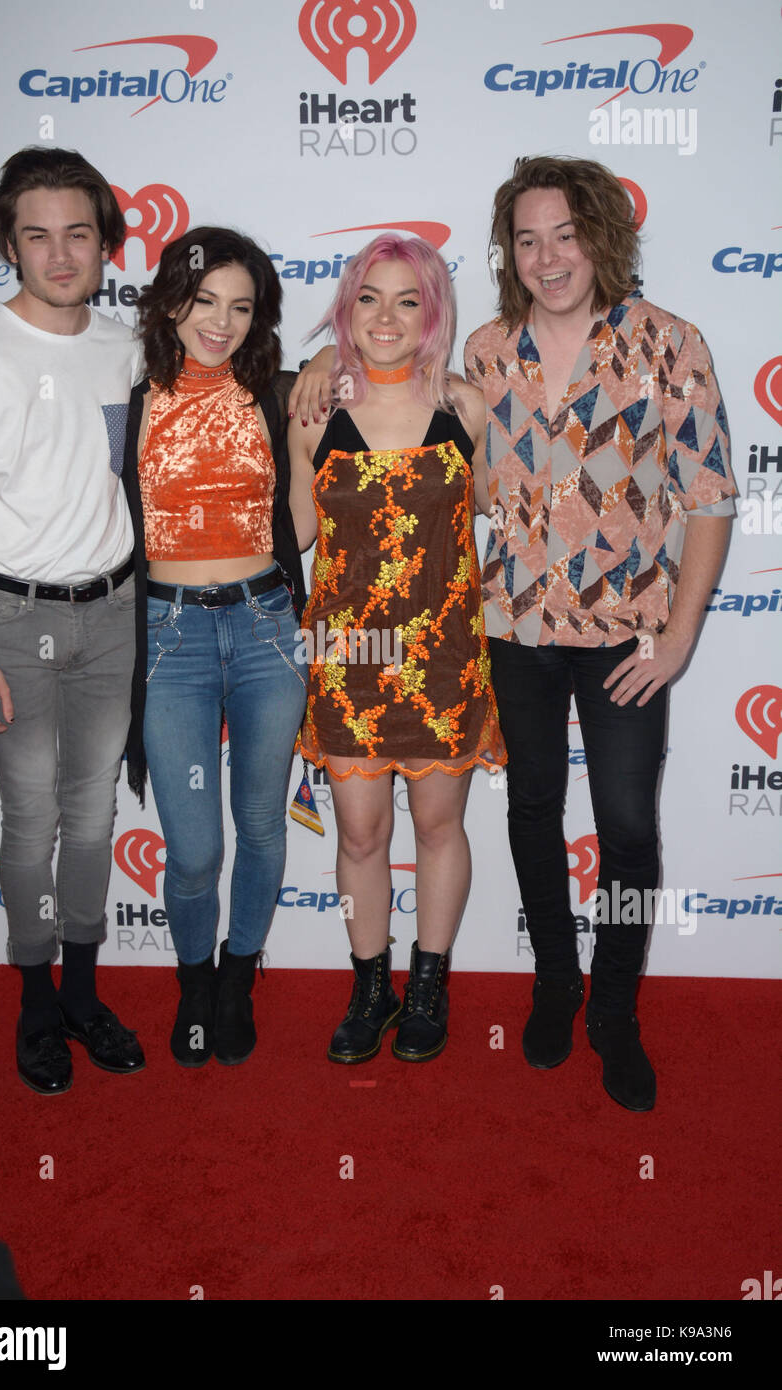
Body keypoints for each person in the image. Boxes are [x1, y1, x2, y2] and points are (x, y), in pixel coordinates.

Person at [463, 155, 736, 1110]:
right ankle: (554, 983)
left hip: (630, 637)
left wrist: (679, 637)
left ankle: (613, 1014)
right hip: (517, 629)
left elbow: (708, 501)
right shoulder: (487, 349)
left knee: (624, 831)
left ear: (601, 238)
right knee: (533, 810)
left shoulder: (670, 343)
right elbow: (417, 420)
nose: (547, 258)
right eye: (528, 240)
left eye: (565, 235)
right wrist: (326, 367)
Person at [0, 147, 145, 1094]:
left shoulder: (129, 344)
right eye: (38, 235)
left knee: (92, 818)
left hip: (116, 610)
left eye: (79, 235)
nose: (60, 255)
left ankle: (84, 994)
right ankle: (32, 1000)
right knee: (29, 822)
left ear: (105, 243)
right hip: (12, 616)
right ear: (5, 244)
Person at [289, 233, 506, 1065]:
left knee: (440, 826)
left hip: (444, 657)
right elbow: (294, 533)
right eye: (368, 298)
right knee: (357, 835)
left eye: (406, 299)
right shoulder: (314, 410)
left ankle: (429, 984)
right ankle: (368, 986)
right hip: (347, 661)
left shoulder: (466, 407)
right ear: (346, 309)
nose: (386, 316)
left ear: (432, 313)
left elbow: (502, 511)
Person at [121, 227, 307, 1068]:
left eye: (241, 307)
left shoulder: (277, 389)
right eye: (204, 302)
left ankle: (239, 975)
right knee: (194, 849)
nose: (221, 323)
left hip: (266, 624)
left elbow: (300, 518)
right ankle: (192, 980)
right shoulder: (126, 391)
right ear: (170, 300)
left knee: (262, 826)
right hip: (171, 636)